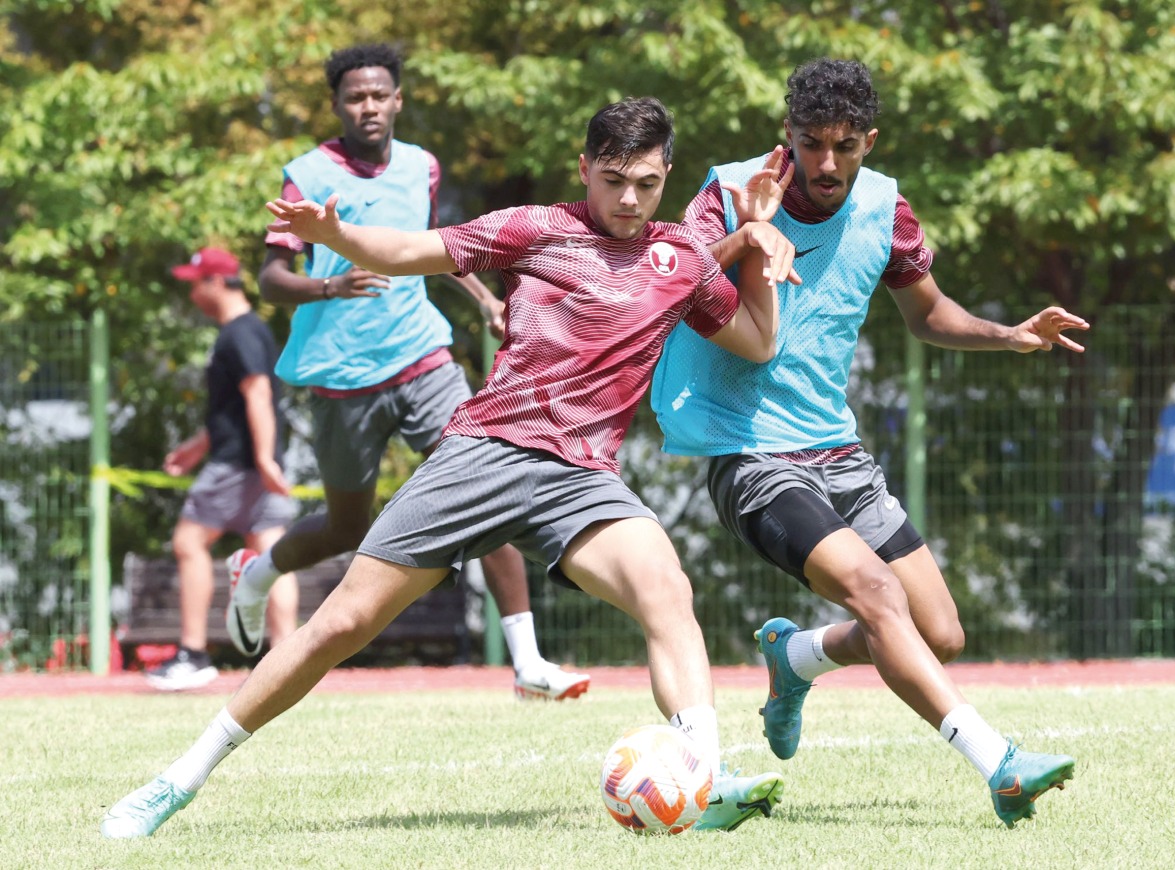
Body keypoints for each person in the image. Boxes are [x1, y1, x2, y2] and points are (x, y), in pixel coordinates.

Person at [101, 96, 799, 839]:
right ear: (584, 168)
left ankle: (704, 773)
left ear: (666, 177)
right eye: (613, 179)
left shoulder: (681, 259)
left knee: (666, 587)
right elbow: (410, 253)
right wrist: (337, 235)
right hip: (486, 452)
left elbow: (757, 341)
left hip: (581, 477)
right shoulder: (536, 228)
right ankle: (179, 779)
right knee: (343, 621)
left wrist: (759, 244)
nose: (629, 199)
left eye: (648, 184)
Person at [650, 59, 1087, 829]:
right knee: (879, 595)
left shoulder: (888, 208)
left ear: (868, 141)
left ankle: (797, 658)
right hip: (748, 450)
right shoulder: (730, 189)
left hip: (836, 450)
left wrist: (1007, 335)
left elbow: (927, 313)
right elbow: (668, 280)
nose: (825, 164)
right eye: (810, 143)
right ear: (786, 135)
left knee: (940, 634)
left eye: (844, 146)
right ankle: (999, 762)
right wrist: (750, 231)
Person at [231, 43, 583, 700]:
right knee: (345, 529)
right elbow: (271, 280)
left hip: (423, 358)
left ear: (398, 100)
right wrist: (330, 289)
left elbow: (431, 251)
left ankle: (529, 665)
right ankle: (255, 575)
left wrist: (484, 301)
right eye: (354, 97)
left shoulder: (421, 166)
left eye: (378, 95)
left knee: (485, 486)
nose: (368, 106)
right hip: (341, 377)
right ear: (337, 106)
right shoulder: (305, 175)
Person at [147, 246, 299, 691]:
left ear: (216, 282)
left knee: (188, 541)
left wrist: (264, 457)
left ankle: (192, 655)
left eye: (195, 283)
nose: (192, 293)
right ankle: (286, 662)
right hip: (249, 458)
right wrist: (197, 447)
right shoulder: (249, 331)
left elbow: (257, 396)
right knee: (269, 554)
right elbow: (236, 408)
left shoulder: (239, 334)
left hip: (240, 463)